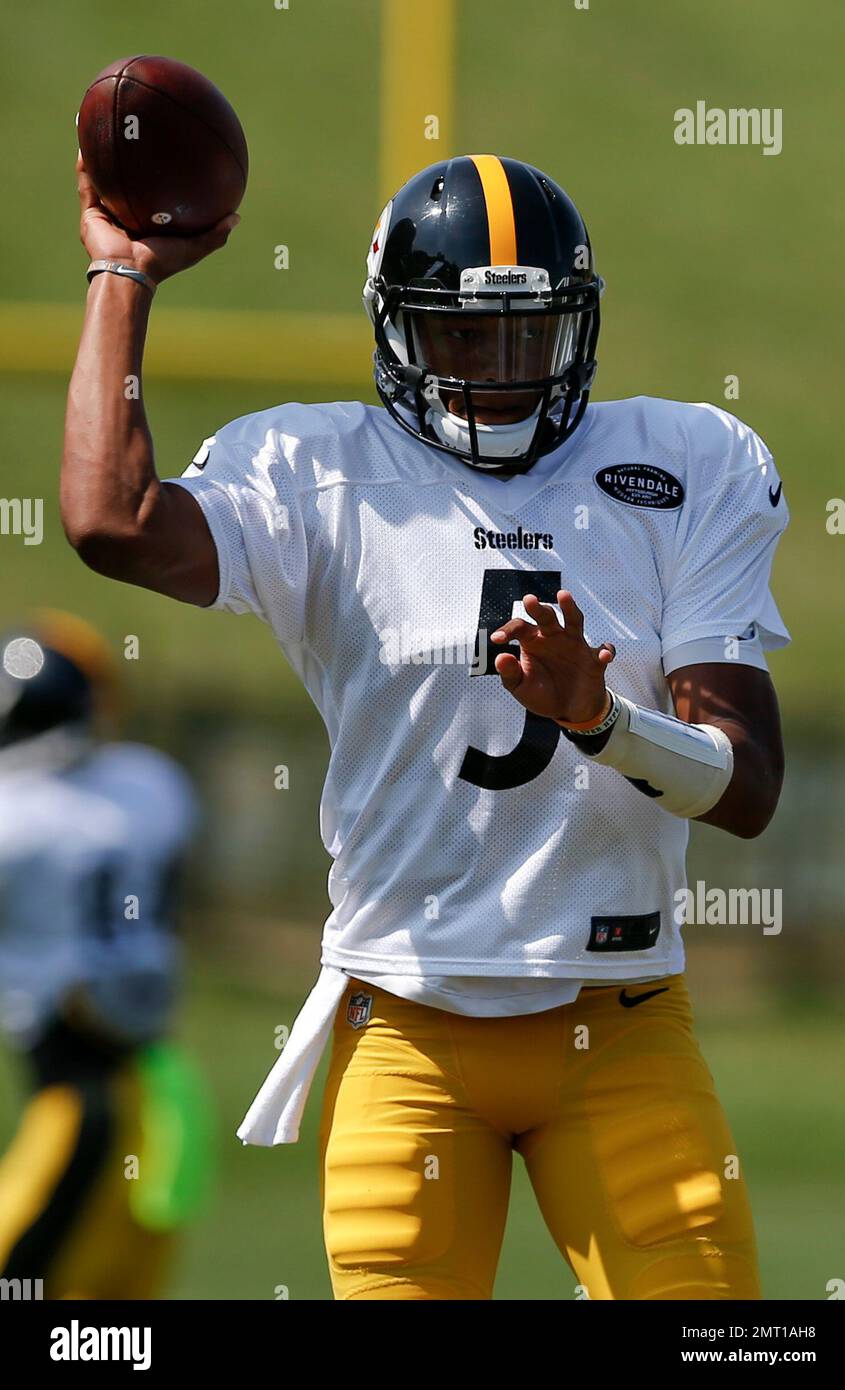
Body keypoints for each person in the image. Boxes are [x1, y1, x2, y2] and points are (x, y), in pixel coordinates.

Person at [62, 153, 789, 1300]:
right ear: (397, 332)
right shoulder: (317, 470)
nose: (497, 372)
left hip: (624, 1020)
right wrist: (123, 276)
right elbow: (110, 520)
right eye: (460, 337)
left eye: (526, 335)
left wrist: (599, 721)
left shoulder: (683, 465)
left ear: (577, 329)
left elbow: (745, 787)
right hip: (406, 1026)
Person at [0, 611, 210, 1298]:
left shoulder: (19, 815)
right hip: (165, 1087)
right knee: (114, 1306)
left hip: (78, 1093)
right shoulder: (152, 785)